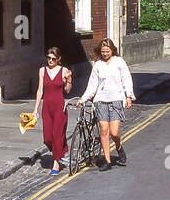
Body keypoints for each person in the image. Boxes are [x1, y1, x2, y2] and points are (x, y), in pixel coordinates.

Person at [75, 37, 134, 171]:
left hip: (116, 99)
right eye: (103, 52)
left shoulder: (119, 62)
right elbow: (92, 85)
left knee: (114, 132)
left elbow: (126, 79)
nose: (105, 54)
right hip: (100, 100)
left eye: (107, 51)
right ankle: (107, 161)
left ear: (112, 50)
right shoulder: (98, 65)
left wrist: (128, 96)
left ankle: (118, 147)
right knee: (104, 131)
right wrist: (83, 99)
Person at [34, 46, 73, 173]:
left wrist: (69, 80)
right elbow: (40, 90)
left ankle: (56, 162)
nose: (50, 60)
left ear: (59, 59)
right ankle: (60, 149)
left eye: (53, 59)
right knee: (47, 138)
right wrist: (35, 109)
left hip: (59, 107)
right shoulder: (42, 71)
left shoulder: (63, 70)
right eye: (48, 58)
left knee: (57, 135)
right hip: (47, 107)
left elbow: (67, 91)